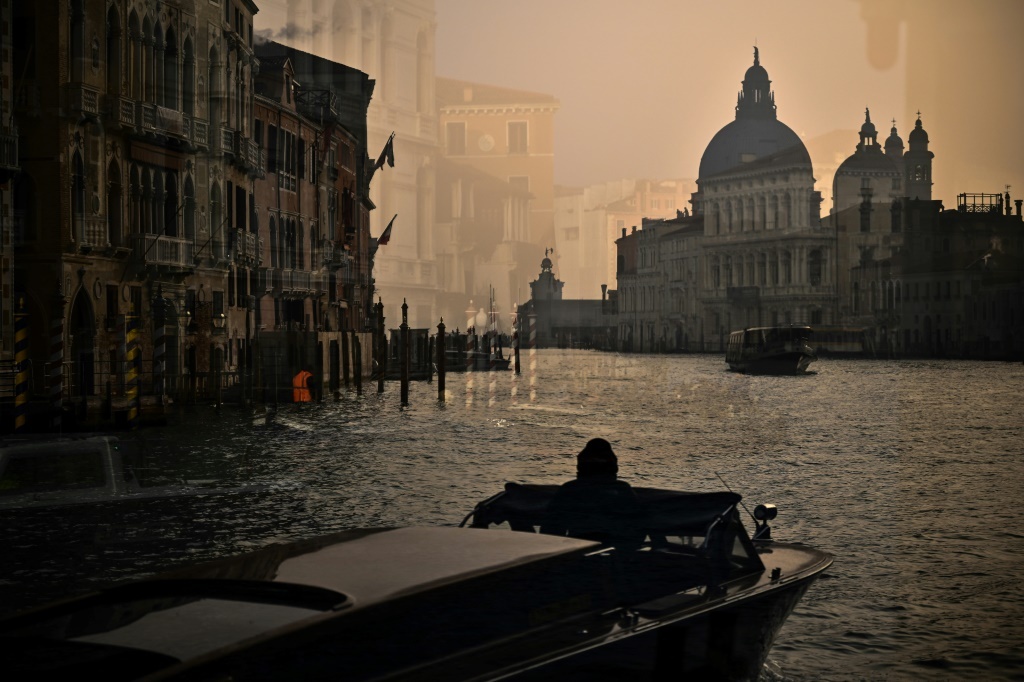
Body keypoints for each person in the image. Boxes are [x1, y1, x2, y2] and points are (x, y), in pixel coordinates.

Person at [540, 438, 644, 548]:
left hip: (577, 548)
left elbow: (551, 529)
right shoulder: (622, 489)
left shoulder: (570, 489)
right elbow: (637, 528)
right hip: (614, 551)